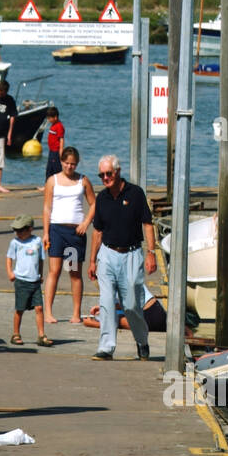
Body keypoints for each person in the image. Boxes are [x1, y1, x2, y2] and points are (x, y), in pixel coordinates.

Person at [87, 154, 157, 360]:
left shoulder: (135, 193)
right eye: (101, 175)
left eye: (108, 174)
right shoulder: (102, 198)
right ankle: (106, 348)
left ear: (117, 171)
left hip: (132, 254)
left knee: (131, 305)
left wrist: (151, 253)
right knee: (107, 302)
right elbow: (97, 231)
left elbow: (147, 224)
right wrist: (92, 261)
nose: (105, 178)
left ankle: (142, 341)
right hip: (107, 254)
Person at [42, 146, 96, 325]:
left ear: (77, 164)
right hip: (57, 231)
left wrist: (86, 223)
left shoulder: (83, 181)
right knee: (54, 271)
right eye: (66, 163)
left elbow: (94, 204)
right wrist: (46, 232)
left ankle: (75, 314)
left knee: (74, 272)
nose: (69, 167)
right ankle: (48, 312)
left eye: (73, 164)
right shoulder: (53, 181)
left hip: (75, 233)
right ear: (61, 162)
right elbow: (47, 207)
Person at [6, 215, 50, 346]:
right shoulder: (15, 243)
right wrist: (10, 272)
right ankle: (16, 334)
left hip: (34, 280)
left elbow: (40, 259)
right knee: (20, 309)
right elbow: (9, 258)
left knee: (39, 308)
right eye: (16, 230)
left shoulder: (37, 241)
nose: (18, 233)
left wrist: (40, 274)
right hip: (21, 281)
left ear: (30, 229)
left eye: (20, 230)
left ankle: (41, 335)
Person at [83, 284, 167, 332]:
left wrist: (92, 324)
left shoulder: (110, 281)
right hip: (158, 311)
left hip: (147, 318)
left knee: (116, 320)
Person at [44, 107, 65, 180]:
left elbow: (61, 139)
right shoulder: (53, 125)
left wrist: (61, 151)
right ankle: (48, 183)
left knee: (56, 169)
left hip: (56, 152)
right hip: (51, 151)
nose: (48, 120)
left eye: (49, 118)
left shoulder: (59, 126)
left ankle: (59, 183)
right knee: (49, 169)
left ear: (55, 117)